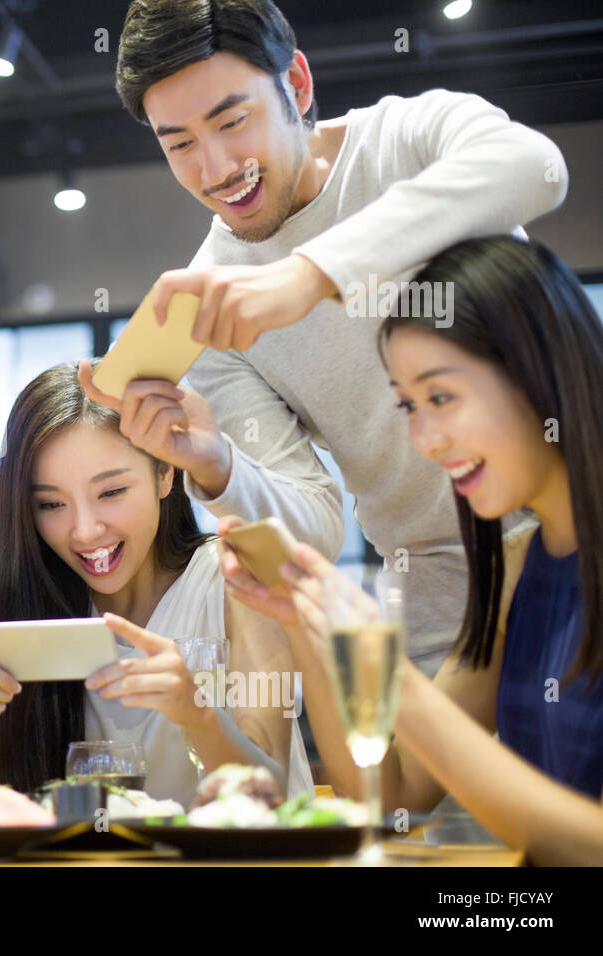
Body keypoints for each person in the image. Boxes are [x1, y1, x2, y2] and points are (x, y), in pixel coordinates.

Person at [85, 0, 569, 673]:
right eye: (180, 144)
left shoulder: (404, 137)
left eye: (233, 120)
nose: (217, 167)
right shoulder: (210, 300)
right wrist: (216, 463)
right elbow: (316, 522)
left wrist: (310, 275)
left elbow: (536, 167)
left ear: (298, 85)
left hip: (579, 529)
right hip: (444, 606)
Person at [219, 236, 603, 865]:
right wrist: (311, 631)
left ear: (540, 373)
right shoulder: (516, 565)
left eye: (442, 397)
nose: (424, 439)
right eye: (408, 406)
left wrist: (389, 670)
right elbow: (387, 797)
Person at [0, 362, 311, 805]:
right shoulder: (35, 605)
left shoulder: (238, 581)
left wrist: (199, 714)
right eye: (51, 503)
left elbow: (273, 792)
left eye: (111, 492)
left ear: (165, 473)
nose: (84, 532)